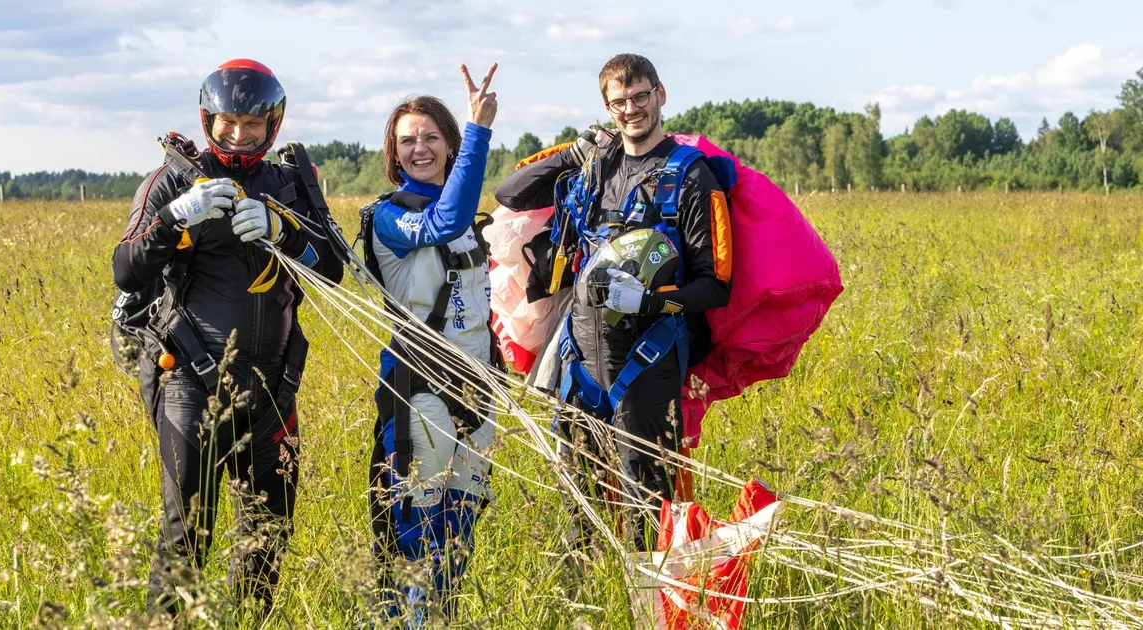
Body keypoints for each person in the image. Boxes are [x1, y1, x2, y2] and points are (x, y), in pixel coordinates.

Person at [111, 58, 344, 614]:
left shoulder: (290, 182)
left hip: (275, 386)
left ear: (273, 125)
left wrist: (283, 228)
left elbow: (332, 267)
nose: (238, 136)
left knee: (267, 536)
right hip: (191, 382)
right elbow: (125, 269)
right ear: (208, 119)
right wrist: (174, 220)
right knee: (186, 535)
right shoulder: (171, 179)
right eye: (227, 123)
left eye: (252, 125)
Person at [494, 53, 732, 549]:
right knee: (578, 509)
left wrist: (648, 301)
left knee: (647, 507)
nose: (631, 110)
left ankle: (648, 612)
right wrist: (573, 153)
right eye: (618, 102)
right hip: (580, 362)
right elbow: (510, 194)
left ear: (660, 95)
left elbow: (716, 286)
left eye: (640, 97)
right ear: (606, 107)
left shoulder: (692, 178)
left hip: (647, 365)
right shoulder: (594, 167)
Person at [364, 63, 499, 624]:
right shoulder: (391, 217)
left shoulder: (474, 217)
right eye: (407, 141)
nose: (419, 148)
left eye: (430, 136)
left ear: (446, 145)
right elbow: (445, 220)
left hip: (481, 389)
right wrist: (479, 130)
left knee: (461, 531)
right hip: (421, 387)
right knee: (419, 536)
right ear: (394, 156)